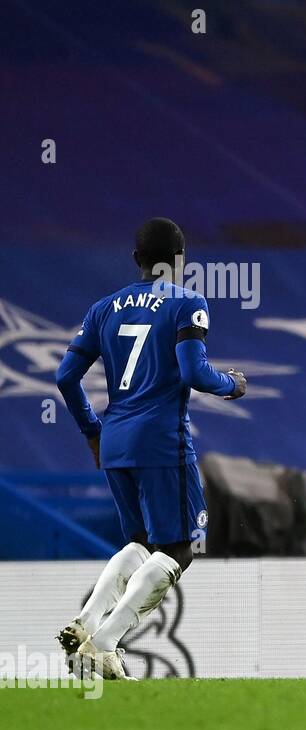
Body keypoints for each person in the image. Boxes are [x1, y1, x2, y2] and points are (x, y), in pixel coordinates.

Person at [54, 217, 247, 680]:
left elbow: (65, 377)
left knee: (140, 543)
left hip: (116, 439)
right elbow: (194, 374)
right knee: (180, 548)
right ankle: (104, 642)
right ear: (180, 261)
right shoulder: (186, 304)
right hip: (162, 440)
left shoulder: (104, 308)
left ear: (136, 259)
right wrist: (233, 385)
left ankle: (85, 623)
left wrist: (92, 431)